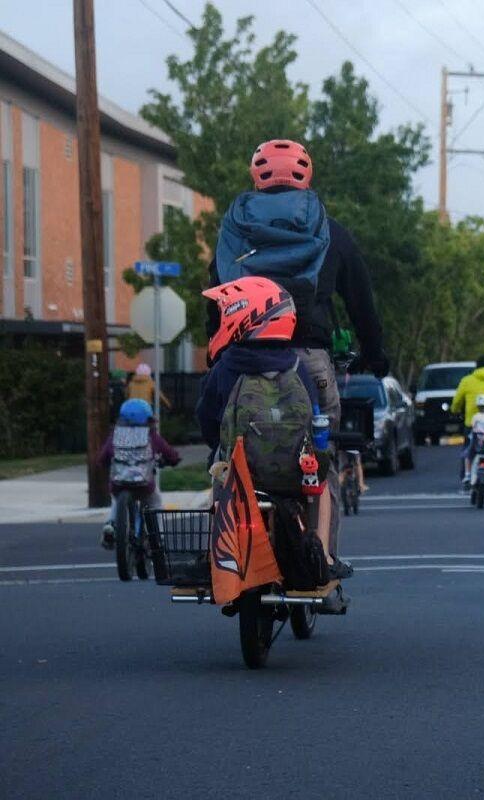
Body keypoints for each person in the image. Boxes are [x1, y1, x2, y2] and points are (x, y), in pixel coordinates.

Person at [205, 139, 390, 430]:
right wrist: (374, 353)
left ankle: (225, 471)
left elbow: (218, 296)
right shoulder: (332, 232)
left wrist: (215, 351)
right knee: (322, 446)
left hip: (242, 359)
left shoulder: (235, 231)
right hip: (308, 356)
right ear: (307, 176)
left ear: (256, 177)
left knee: (225, 438)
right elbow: (361, 302)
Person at [195, 276, 350, 579]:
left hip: (240, 472)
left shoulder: (226, 367)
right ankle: (324, 556)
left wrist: (216, 443)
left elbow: (207, 416)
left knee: (219, 470)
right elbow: (312, 416)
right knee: (320, 484)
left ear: (243, 318)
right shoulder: (296, 365)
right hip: (293, 473)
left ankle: (216, 554)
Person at [99, 398, 180, 548]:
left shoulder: (116, 434)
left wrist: (104, 463)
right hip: (144, 485)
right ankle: (158, 537)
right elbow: (168, 452)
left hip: (119, 484)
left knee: (116, 500)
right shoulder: (150, 434)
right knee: (155, 501)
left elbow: (103, 456)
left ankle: (111, 524)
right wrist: (173, 459)